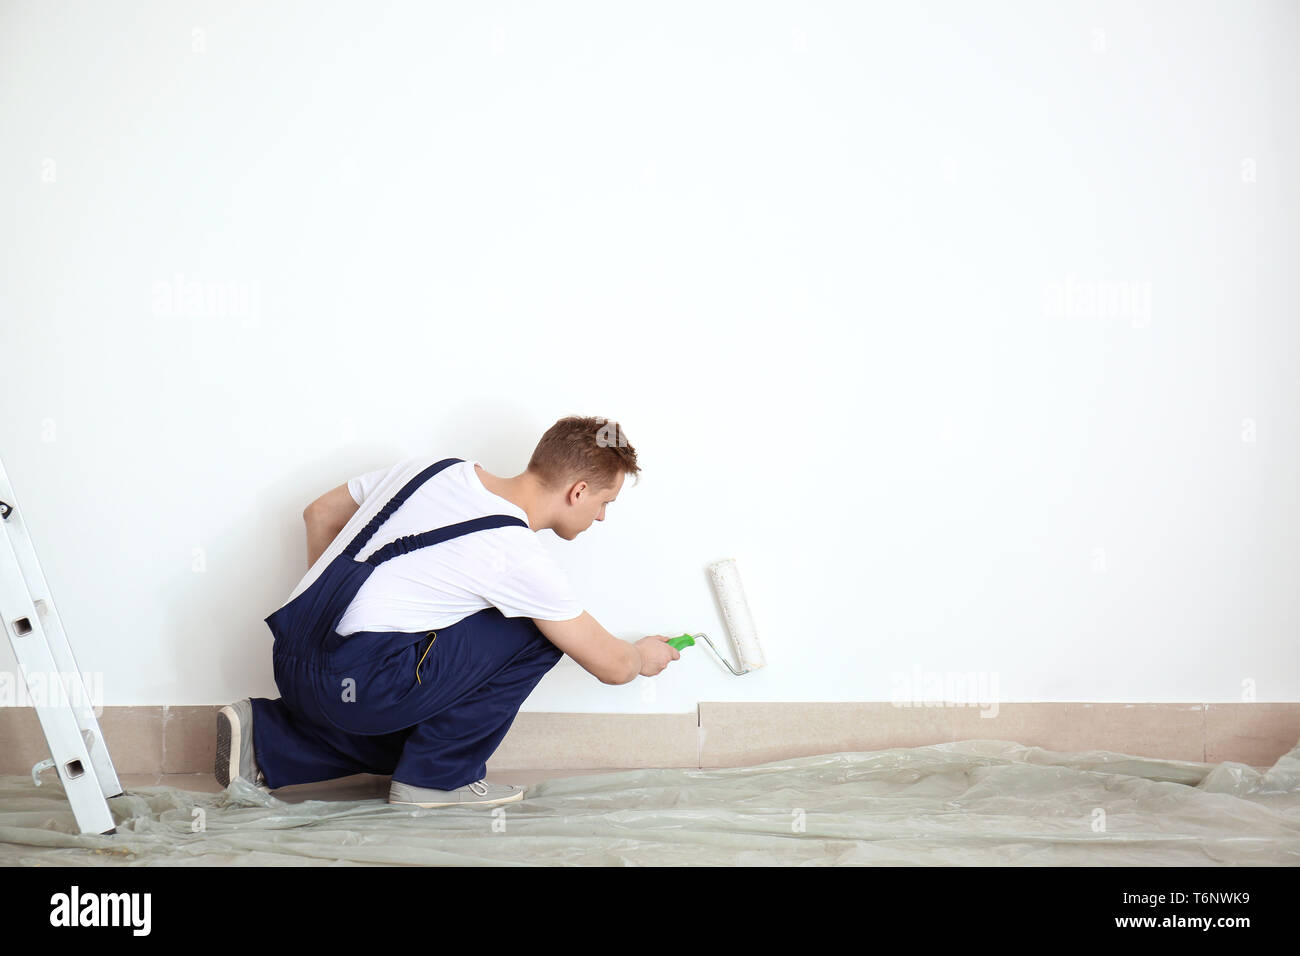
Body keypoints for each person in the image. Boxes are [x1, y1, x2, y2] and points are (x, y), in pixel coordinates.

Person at [215, 415, 680, 808]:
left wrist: (331, 629)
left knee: (420, 724)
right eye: (605, 504)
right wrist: (642, 656)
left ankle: (267, 739)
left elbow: (318, 513)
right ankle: (437, 781)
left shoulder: (435, 470)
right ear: (578, 492)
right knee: (538, 633)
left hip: (294, 658)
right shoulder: (516, 553)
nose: (601, 518)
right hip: (357, 683)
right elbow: (613, 667)